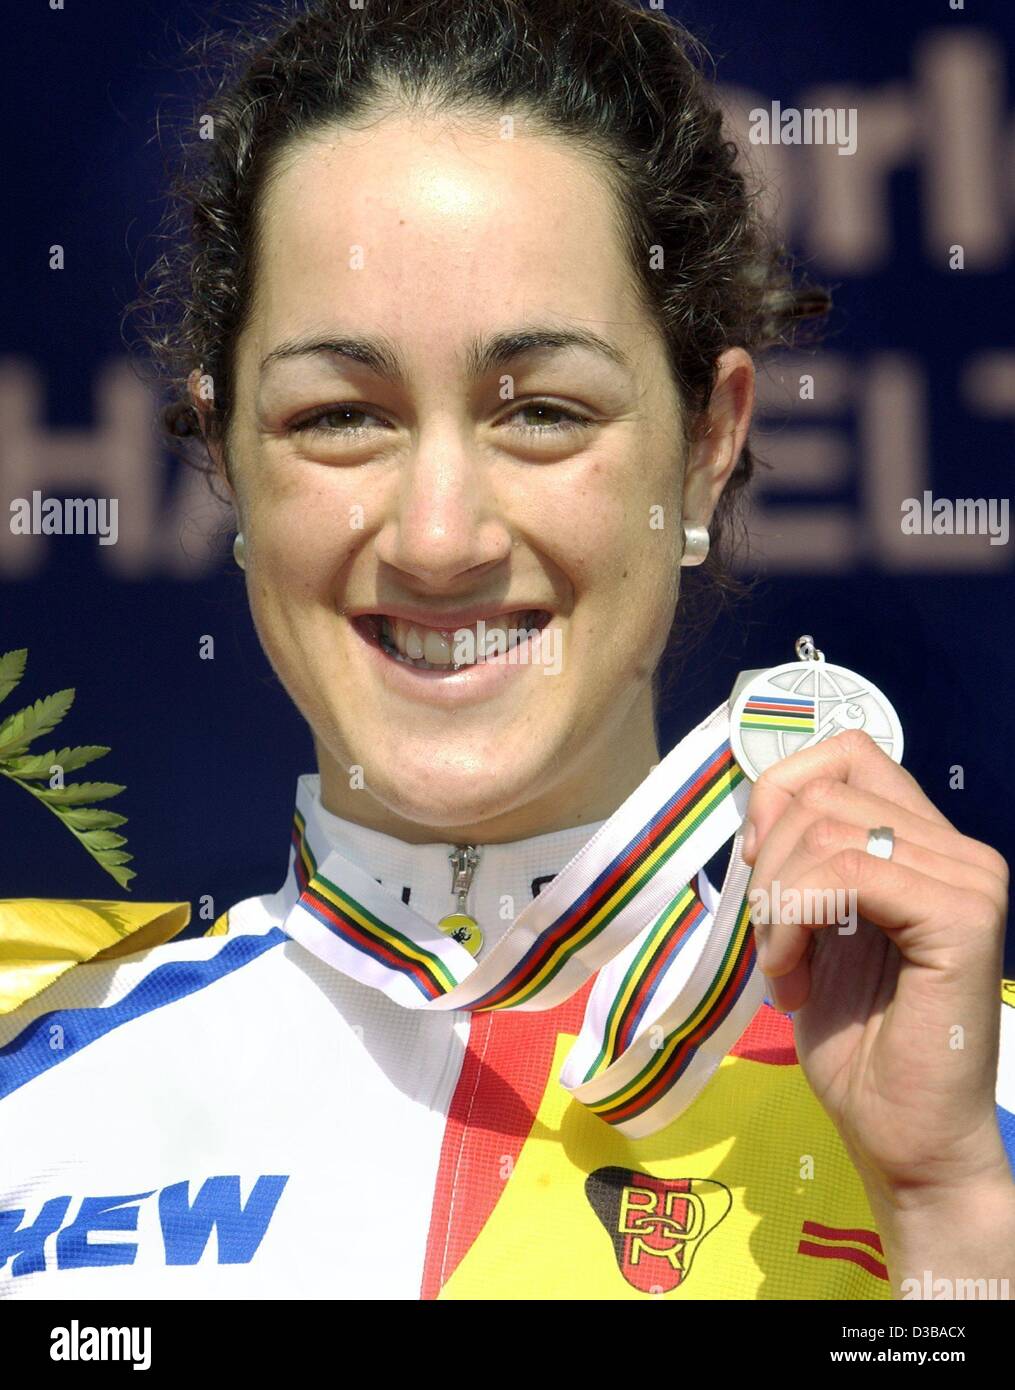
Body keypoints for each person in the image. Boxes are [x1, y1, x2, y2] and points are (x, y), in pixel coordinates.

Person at [1, 0, 1012, 1301]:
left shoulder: (976, 1095)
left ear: (707, 446)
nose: (437, 535)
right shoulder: (35, 1059)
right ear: (228, 456)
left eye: (541, 410)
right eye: (338, 415)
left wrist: (952, 1227)